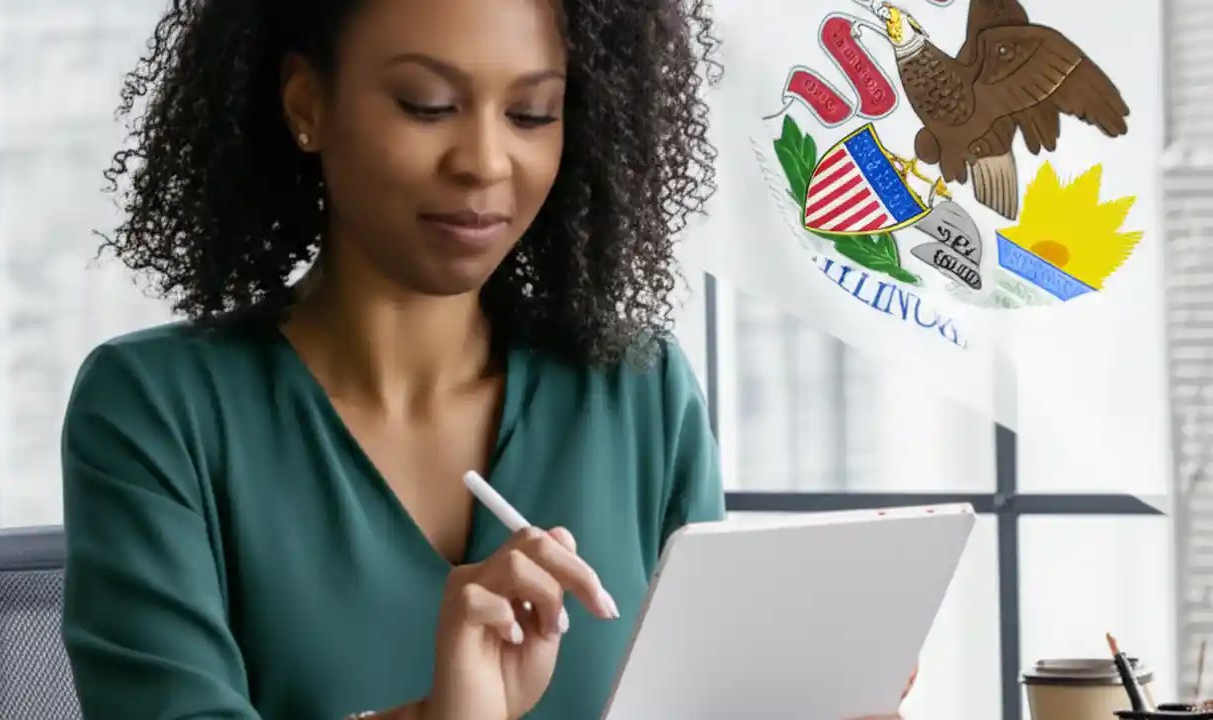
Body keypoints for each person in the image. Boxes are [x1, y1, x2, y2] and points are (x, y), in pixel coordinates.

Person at [59, 0, 910, 718]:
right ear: (306, 103)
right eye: (428, 105)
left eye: (533, 113)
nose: (485, 162)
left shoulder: (638, 390)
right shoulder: (156, 409)